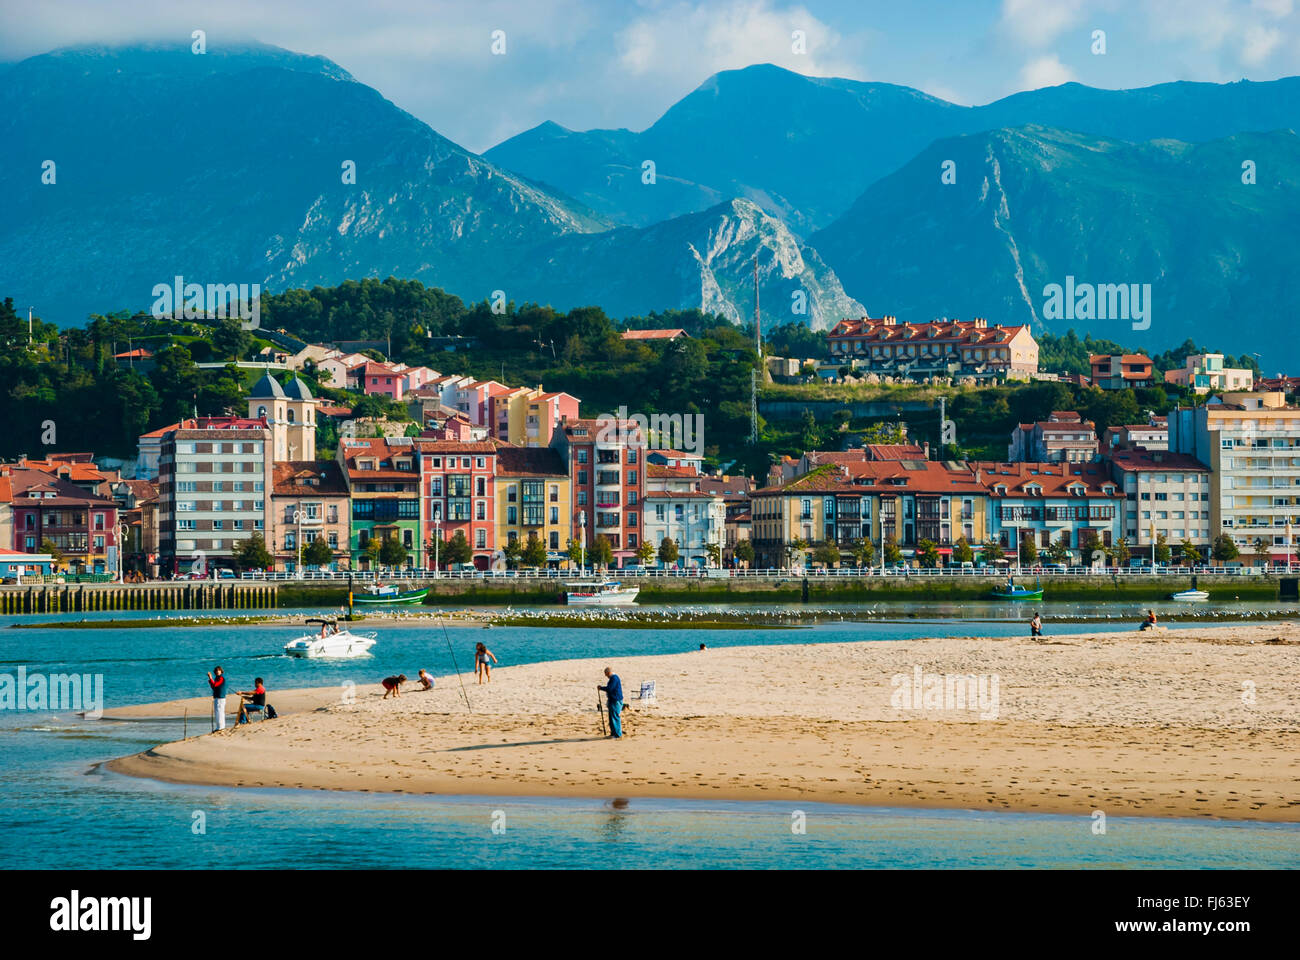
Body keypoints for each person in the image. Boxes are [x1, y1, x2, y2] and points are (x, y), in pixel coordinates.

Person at [597, 666, 624, 739]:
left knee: (615, 717)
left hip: (616, 700)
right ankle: (613, 733)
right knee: (611, 718)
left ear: (609, 673)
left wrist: (601, 688)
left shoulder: (614, 678)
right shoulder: (613, 678)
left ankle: (618, 734)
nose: (606, 676)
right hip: (613, 700)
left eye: (606, 674)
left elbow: (610, 688)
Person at [207, 666, 227, 731]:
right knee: (217, 712)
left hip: (220, 697)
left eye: (219, 670)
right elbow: (213, 687)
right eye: (216, 671)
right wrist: (210, 680)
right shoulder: (217, 678)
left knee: (220, 712)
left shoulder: (221, 678)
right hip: (216, 697)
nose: (217, 671)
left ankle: (221, 727)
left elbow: (216, 685)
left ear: (221, 671)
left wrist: (210, 678)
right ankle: (219, 726)